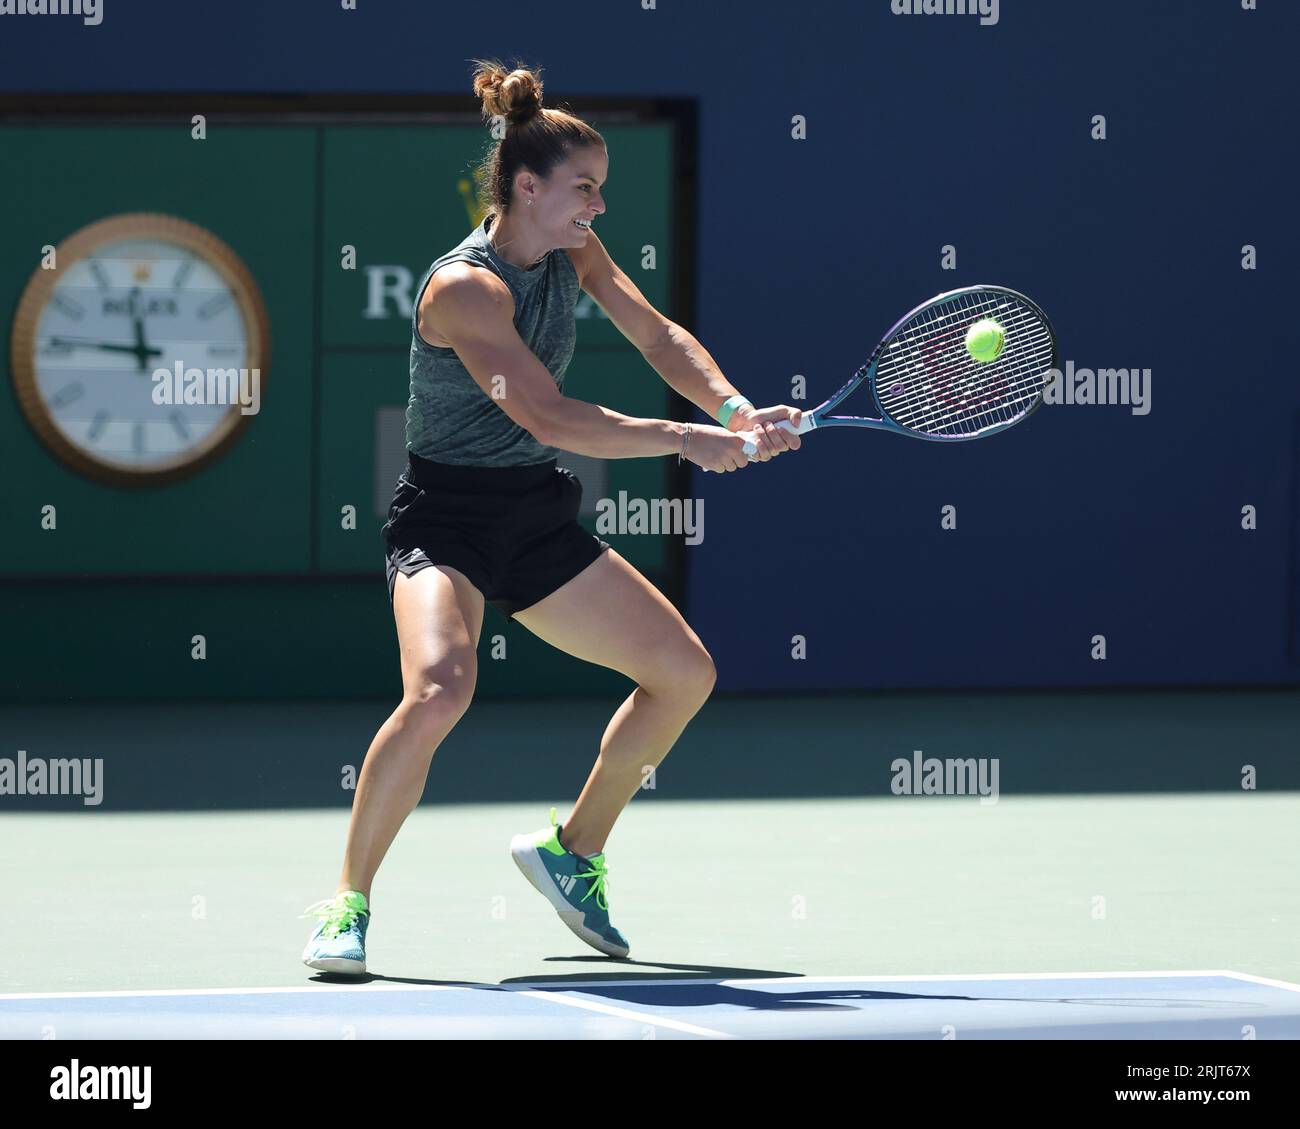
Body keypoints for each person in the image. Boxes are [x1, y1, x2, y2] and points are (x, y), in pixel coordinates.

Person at [301, 59, 800, 973]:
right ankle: (347, 903)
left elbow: (656, 334)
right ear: (527, 187)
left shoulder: (571, 251)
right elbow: (552, 416)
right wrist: (687, 443)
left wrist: (732, 409)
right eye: (584, 190)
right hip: (443, 520)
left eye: (601, 192)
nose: (597, 208)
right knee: (440, 688)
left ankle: (575, 851)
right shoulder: (464, 289)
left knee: (684, 673)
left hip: (532, 513)